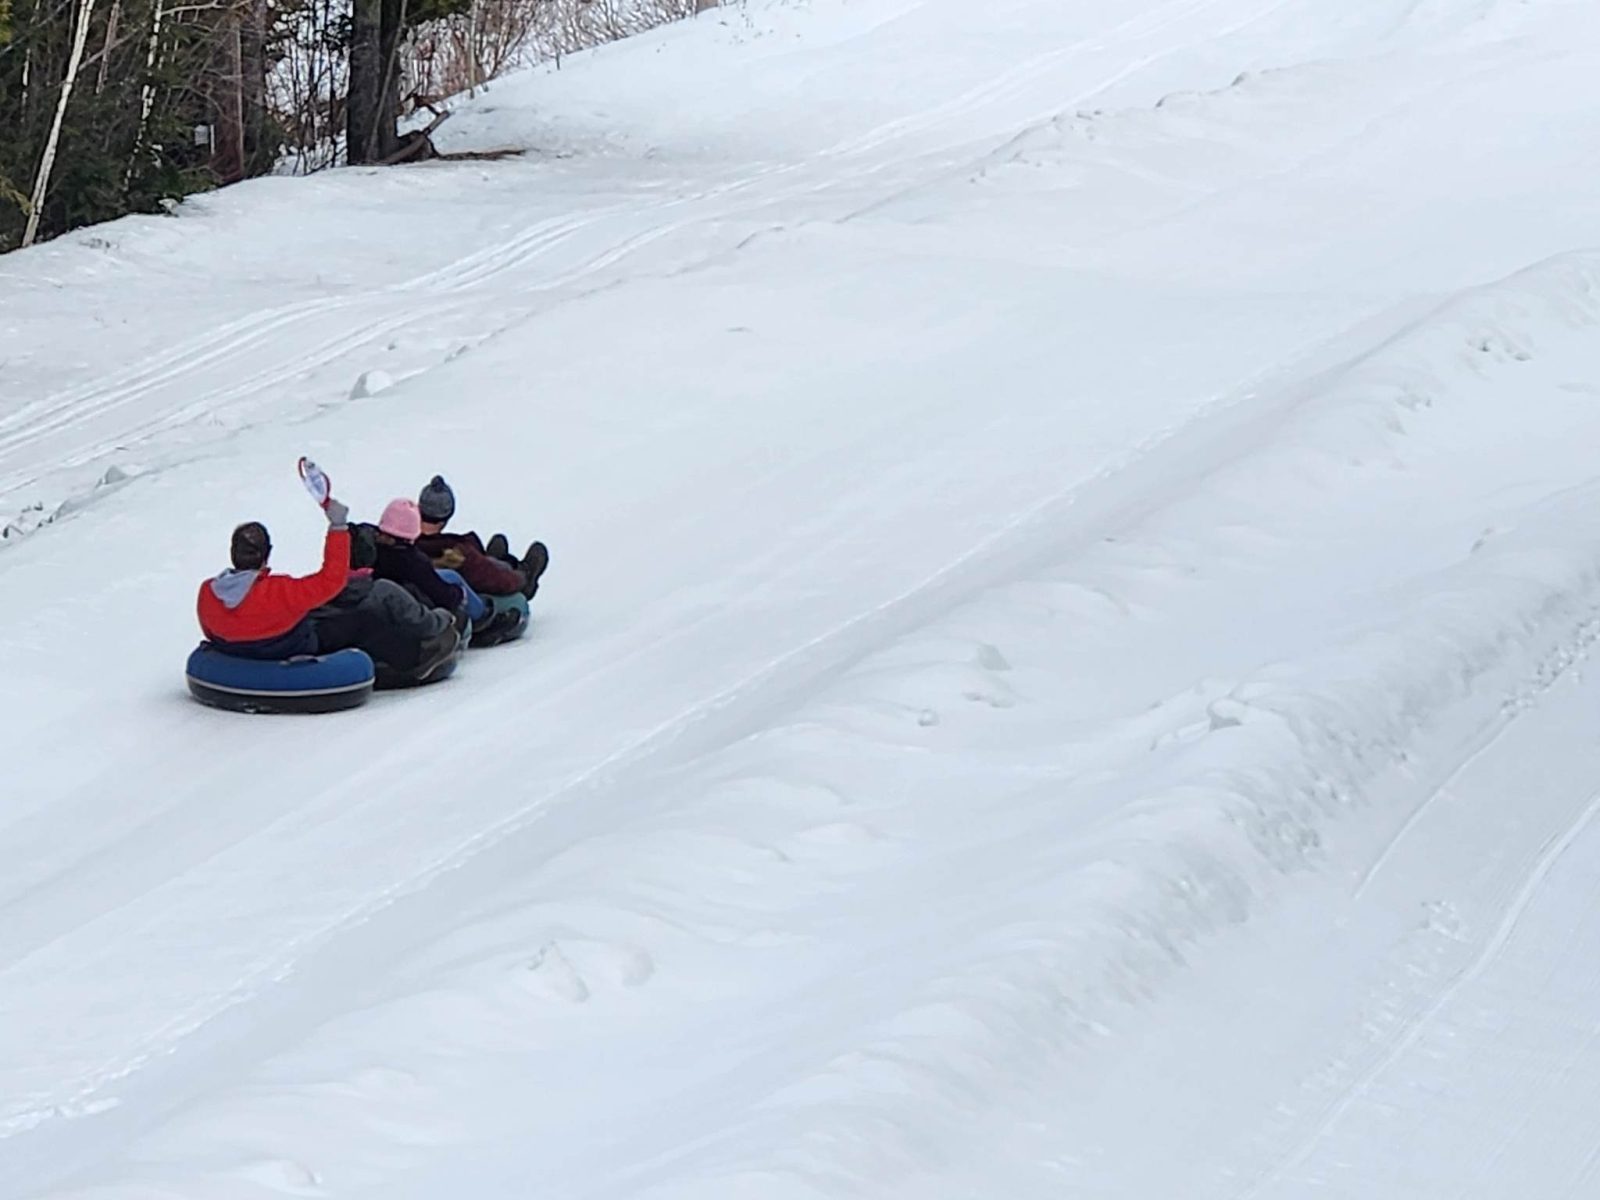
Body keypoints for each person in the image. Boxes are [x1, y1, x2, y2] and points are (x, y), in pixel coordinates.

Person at [198, 498, 458, 674]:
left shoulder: (208, 592)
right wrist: (337, 527)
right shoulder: (282, 591)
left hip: (236, 649)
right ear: (267, 553)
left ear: (233, 553)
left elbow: (212, 631)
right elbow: (331, 581)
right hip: (293, 646)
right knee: (360, 622)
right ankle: (412, 661)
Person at [415, 474, 548, 600]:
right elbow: (494, 580)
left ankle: (492, 560)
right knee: (489, 570)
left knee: (486, 556)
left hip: (423, 590)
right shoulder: (457, 554)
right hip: (469, 592)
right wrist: (521, 579)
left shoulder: (404, 543)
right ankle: (522, 575)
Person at [372, 498, 480, 615]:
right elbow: (443, 597)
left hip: (385, 597)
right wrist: (459, 594)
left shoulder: (372, 546)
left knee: (451, 575)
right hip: (414, 610)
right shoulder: (413, 561)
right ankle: (483, 613)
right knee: (458, 586)